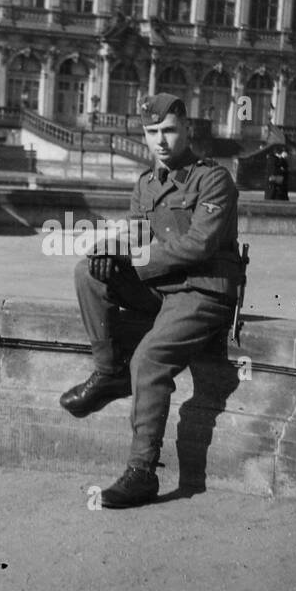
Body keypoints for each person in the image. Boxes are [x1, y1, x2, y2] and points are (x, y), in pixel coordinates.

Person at [60, 93, 242, 508]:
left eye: (168, 131)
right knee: (88, 269)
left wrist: (131, 259)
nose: (160, 141)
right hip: (161, 287)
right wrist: (108, 248)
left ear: (186, 130)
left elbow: (198, 246)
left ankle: (143, 473)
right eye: (152, 133)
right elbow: (137, 233)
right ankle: (108, 374)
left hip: (202, 291)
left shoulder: (213, 179)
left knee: (148, 359)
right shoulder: (146, 182)